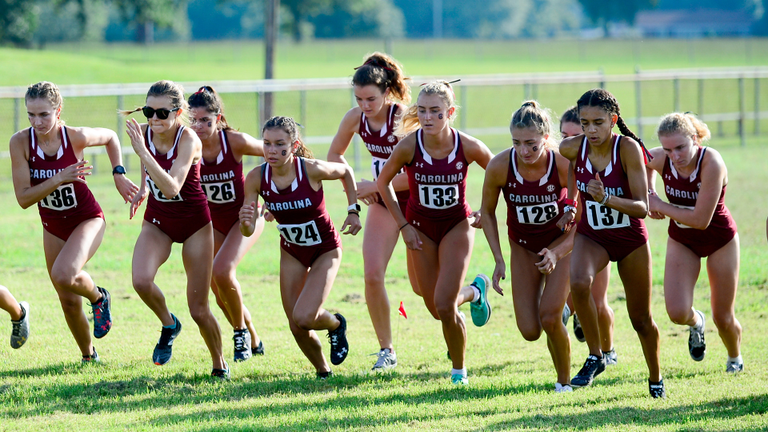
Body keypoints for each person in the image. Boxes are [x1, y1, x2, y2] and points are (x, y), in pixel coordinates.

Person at [377, 81, 494, 385]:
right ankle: (476, 291)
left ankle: (458, 372)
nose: (428, 118)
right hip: (420, 229)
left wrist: (485, 208)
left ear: (450, 112)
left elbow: (499, 172)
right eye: (423, 111)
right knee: (436, 309)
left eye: (436, 112)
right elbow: (383, 183)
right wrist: (403, 225)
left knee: (445, 304)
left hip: (457, 225)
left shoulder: (466, 145)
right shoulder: (409, 145)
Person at [10, 81, 137, 362]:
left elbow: (110, 137)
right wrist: (58, 178)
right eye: (31, 114)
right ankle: (88, 356)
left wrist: (118, 173)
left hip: (87, 218)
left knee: (64, 275)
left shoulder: (75, 137)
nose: (36, 121)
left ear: (58, 110)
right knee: (67, 299)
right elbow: (23, 198)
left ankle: (99, 298)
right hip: (52, 224)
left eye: (44, 114)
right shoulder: (20, 142)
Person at [559, 88, 663, 398]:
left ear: (613, 120)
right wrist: (569, 203)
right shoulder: (574, 148)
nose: (591, 130)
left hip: (630, 240)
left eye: (598, 123)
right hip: (594, 236)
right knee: (578, 283)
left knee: (641, 319)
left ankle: (656, 378)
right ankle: (595, 355)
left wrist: (606, 197)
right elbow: (569, 163)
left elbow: (642, 208)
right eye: (585, 122)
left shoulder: (627, 149)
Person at [240, 116, 361, 378]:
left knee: (305, 316)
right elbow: (247, 230)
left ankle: (336, 324)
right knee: (296, 324)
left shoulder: (311, 169)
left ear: (293, 146)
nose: (271, 151)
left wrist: (353, 211)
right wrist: (246, 223)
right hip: (293, 251)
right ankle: (323, 372)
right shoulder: (255, 178)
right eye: (267, 144)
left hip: (325, 249)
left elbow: (346, 172)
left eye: (279, 144)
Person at [124, 80, 228, 379]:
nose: (154, 119)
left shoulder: (189, 140)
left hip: (195, 223)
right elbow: (152, 177)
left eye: (161, 112)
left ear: (178, 112)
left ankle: (219, 364)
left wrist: (143, 153)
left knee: (199, 308)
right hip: (159, 220)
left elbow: (171, 188)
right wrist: (143, 188)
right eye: (148, 111)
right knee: (141, 281)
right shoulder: (146, 134)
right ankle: (169, 324)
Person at [327, 52, 415, 371]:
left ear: (387, 91)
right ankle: (386, 350)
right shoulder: (355, 118)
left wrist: (376, 186)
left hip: (417, 203)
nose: (365, 105)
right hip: (385, 206)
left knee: (426, 291)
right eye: (359, 98)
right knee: (372, 275)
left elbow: (421, 175)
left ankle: (469, 296)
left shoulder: (403, 118)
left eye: (371, 99)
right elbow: (334, 156)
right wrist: (355, 195)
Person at [481, 101, 575, 392]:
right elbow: (486, 212)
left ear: (546, 138)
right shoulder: (499, 165)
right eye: (517, 143)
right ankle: (558, 311)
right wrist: (498, 259)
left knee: (548, 316)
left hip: (560, 246)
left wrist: (557, 252)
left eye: (532, 144)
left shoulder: (561, 164)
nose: (524, 151)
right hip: (523, 247)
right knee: (530, 331)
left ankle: (564, 383)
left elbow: (582, 222)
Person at [645, 112, 742, 373]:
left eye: (680, 147)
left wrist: (660, 206)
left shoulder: (712, 162)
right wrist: (650, 190)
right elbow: (642, 162)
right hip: (682, 239)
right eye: (668, 149)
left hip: (719, 239)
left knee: (722, 317)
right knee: (677, 313)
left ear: (695, 139)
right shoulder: (663, 157)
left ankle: (735, 357)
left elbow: (700, 220)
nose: (674, 156)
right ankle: (696, 322)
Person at [188, 86, 265, 362]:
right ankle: (254, 338)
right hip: (213, 223)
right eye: (193, 120)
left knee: (223, 270)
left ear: (218, 118)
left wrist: (271, 195)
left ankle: (239, 333)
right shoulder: (185, 145)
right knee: (219, 293)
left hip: (244, 217)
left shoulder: (234, 142)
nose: (198, 127)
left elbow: (276, 155)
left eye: (205, 121)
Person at [559, 107, 616, 365]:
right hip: (568, 240)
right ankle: (577, 316)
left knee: (598, 300)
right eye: (563, 136)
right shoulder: (552, 161)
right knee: (571, 297)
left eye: (574, 135)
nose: (569, 142)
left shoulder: (595, 160)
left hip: (596, 237)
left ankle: (609, 349)